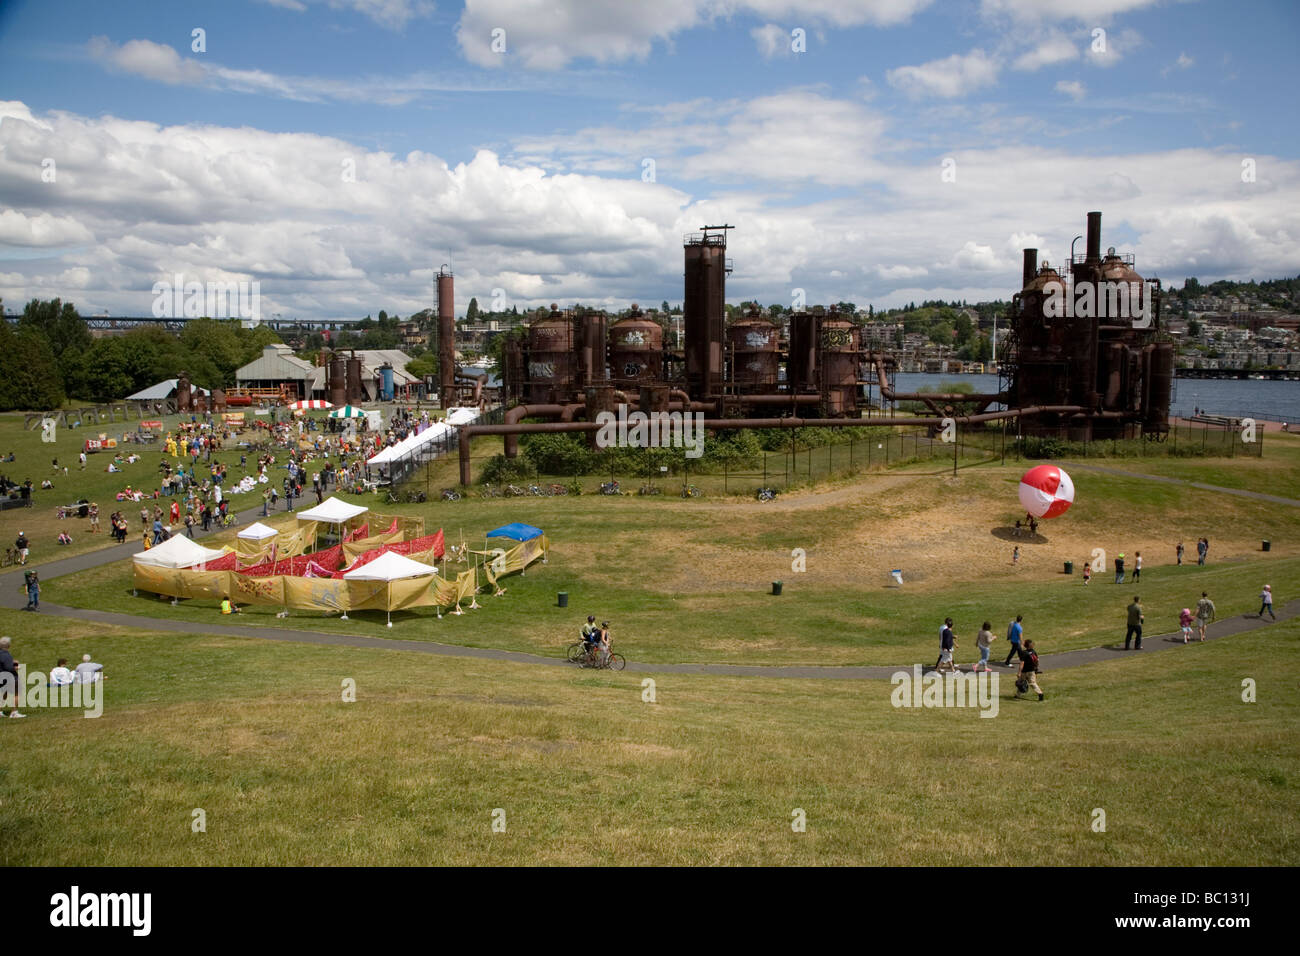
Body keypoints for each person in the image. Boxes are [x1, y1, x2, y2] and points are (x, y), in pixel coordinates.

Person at [0, 637, 24, 718]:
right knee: (17, 693)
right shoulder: (7, 655)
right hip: (10, 678)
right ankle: (14, 712)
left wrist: (13, 662)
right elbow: (9, 668)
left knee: (4, 694)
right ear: (9, 645)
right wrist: (17, 667)